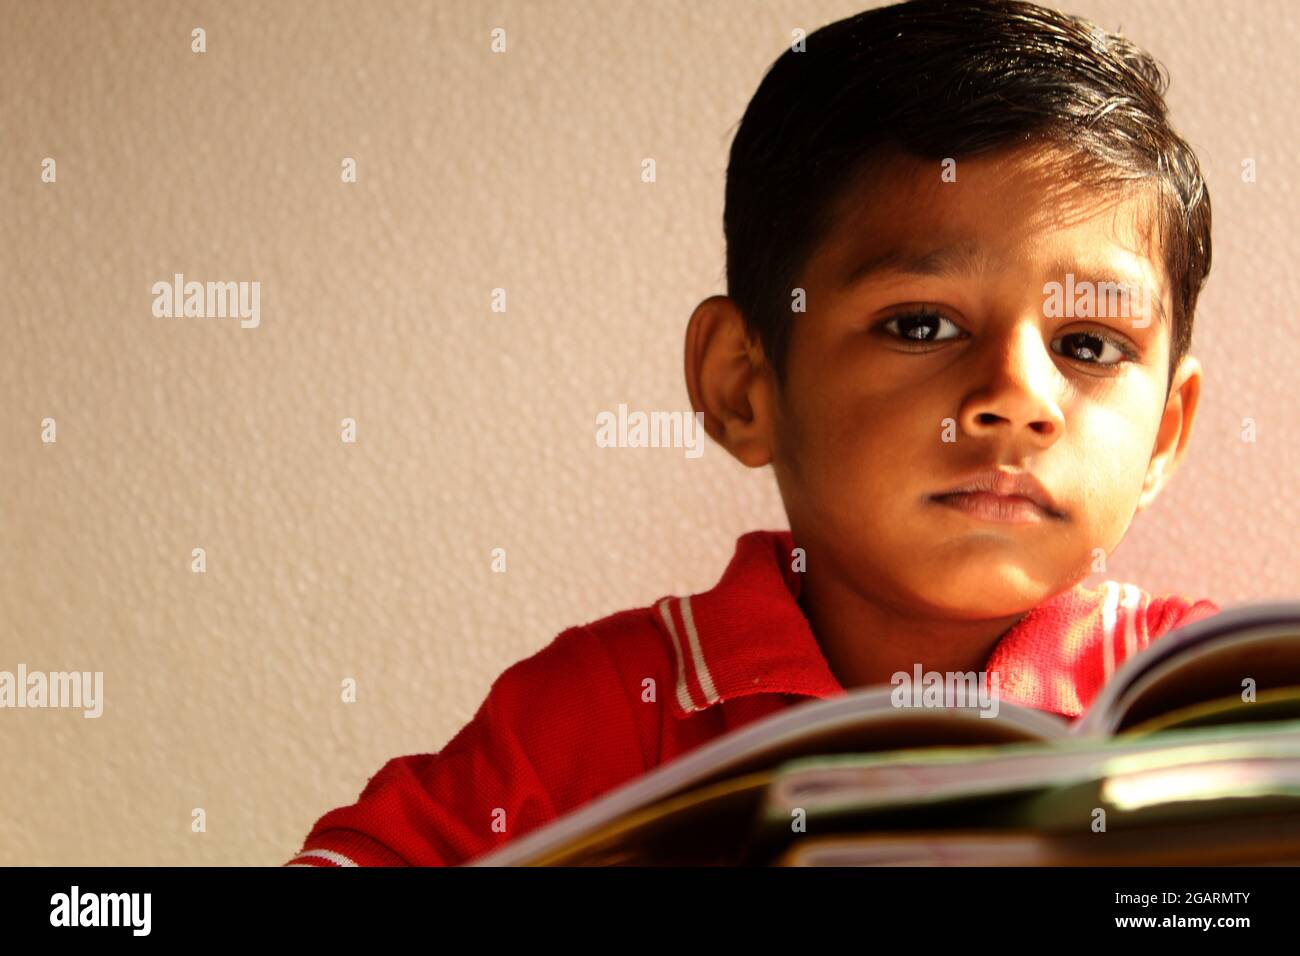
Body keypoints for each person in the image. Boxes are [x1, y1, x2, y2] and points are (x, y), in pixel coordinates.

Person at [287, 0, 1219, 867]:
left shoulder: (1211, 707)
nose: (1017, 399)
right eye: (922, 324)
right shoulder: (614, 709)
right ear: (743, 386)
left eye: (1089, 343)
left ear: (1166, 434)